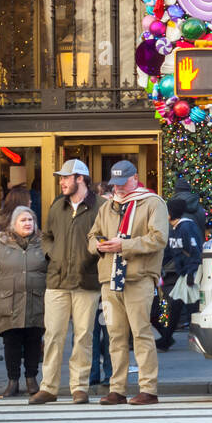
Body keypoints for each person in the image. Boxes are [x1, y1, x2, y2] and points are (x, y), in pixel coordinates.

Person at [88, 161, 168, 406]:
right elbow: (92, 236)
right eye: (116, 184)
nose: (119, 188)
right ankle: (118, 389)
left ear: (135, 179)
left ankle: (148, 389)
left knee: (141, 333)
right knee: (115, 336)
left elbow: (158, 238)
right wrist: (98, 246)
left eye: (123, 183)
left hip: (138, 277)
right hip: (110, 277)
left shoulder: (153, 203)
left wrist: (124, 245)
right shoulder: (108, 205)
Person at [32, 159, 100, 405]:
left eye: (65, 177)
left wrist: (91, 256)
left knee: (83, 335)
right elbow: (46, 236)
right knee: (53, 335)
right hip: (57, 279)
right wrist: (52, 254)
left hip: (87, 279)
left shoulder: (99, 206)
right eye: (61, 177)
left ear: (80, 178)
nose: (61, 181)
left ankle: (79, 387)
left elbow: (103, 239)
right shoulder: (56, 206)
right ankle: (48, 387)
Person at [0, 206, 48, 398]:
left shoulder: (42, 242)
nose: (28, 223)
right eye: (23, 220)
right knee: (11, 343)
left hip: (36, 301)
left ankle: (31, 379)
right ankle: (12, 381)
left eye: (30, 220)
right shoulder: (1, 243)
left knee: (33, 341)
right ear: (14, 224)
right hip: (8, 302)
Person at [157, 198, 203, 351]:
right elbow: (170, 252)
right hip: (185, 274)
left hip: (190, 273)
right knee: (178, 306)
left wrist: (191, 273)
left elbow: (195, 251)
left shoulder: (185, 228)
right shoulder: (176, 229)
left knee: (189, 306)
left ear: (171, 214)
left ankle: (168, 339)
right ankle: (166, 338)